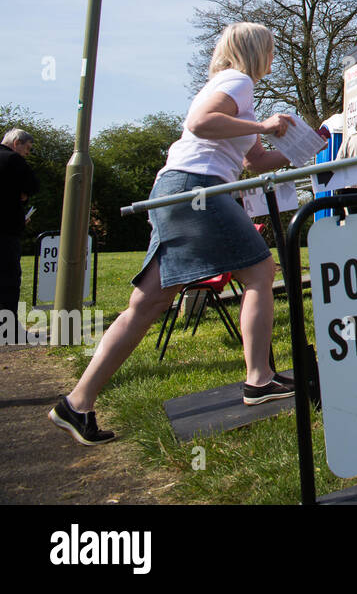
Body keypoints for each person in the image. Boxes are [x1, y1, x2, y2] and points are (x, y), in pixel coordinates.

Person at [50, 22, 295, 445]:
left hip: (177, 187)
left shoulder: (233, 90)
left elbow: (254, 162)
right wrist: (265, 126)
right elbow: (200, 123)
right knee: (259, 272)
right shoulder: (237, 81)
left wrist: (304, 146)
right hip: (197, 188)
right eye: (271, 49)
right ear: (257, 50)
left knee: (148, 302)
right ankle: (259, 379)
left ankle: (77, 402)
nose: (273, 56)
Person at [0, 128, 38, 344]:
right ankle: (8, 331)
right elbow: (33, 185)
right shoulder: (13, 160)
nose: (27, 153)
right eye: (27, 148)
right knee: (8, 281)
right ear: (17, 143)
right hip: (5, 231)